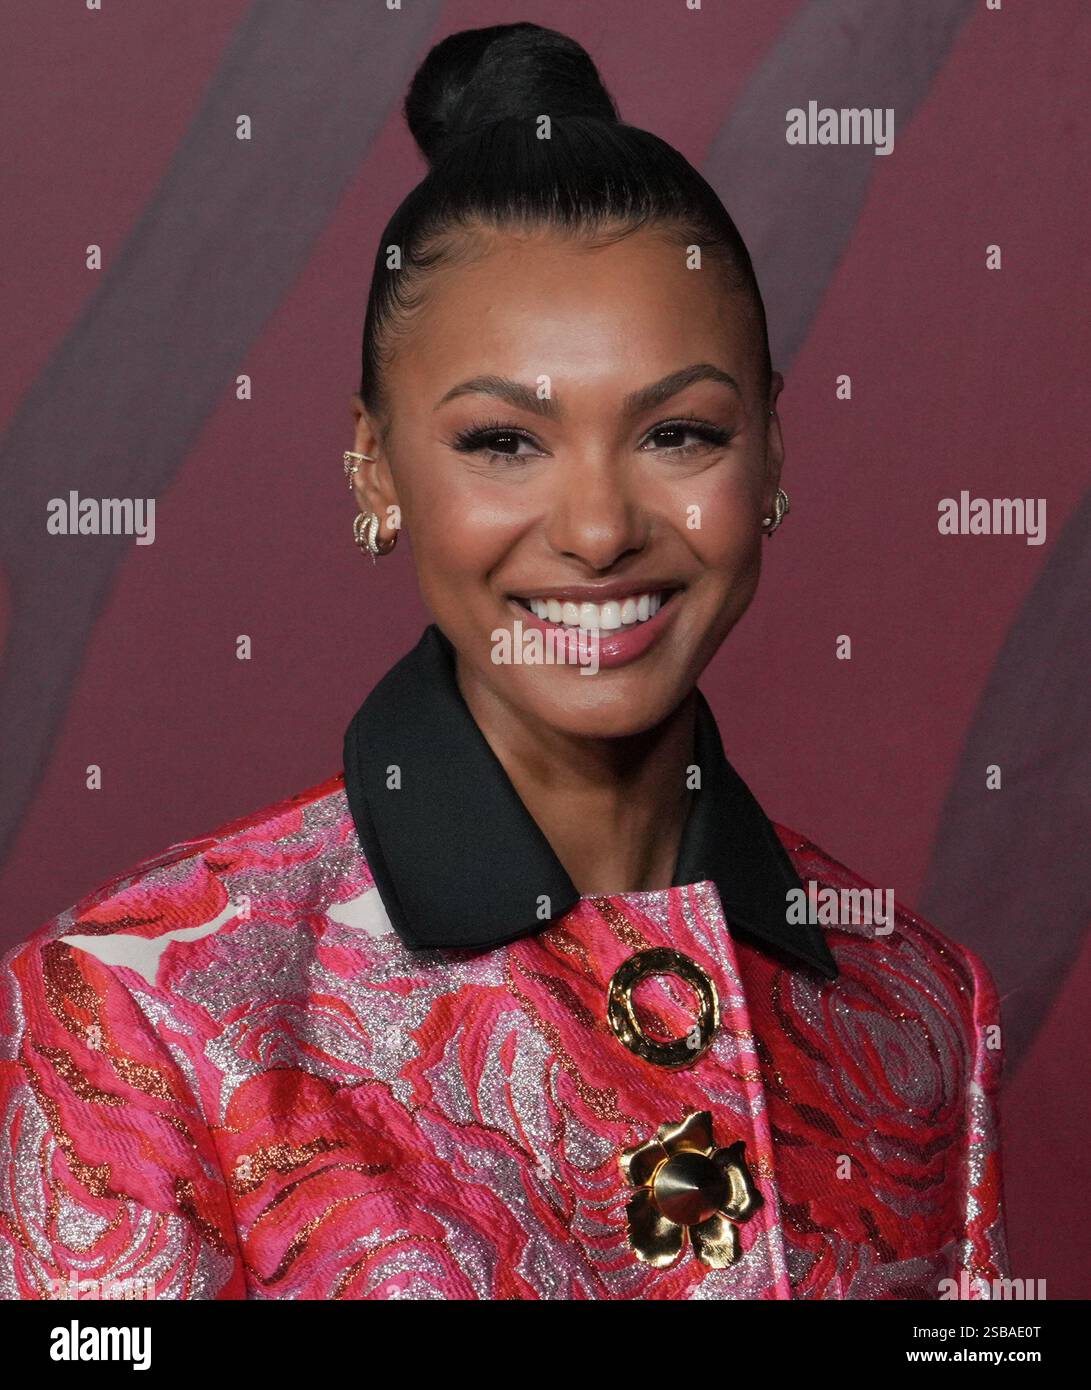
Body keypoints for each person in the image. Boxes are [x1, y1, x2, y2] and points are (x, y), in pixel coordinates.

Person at [0, 22, 1006, 1301]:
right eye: (501, 442)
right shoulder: (136, 1015)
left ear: (773, 460)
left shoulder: (914, 1004)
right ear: (374, 466)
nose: (596, 531)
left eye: (679, 431)